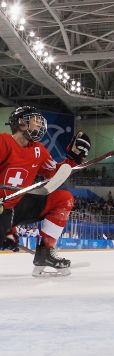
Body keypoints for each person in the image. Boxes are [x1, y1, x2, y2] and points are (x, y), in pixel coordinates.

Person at [0, 106, 90, 276]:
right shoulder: (3, 141)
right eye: (35, 120)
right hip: (2, 209)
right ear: (21, 123)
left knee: (63, 198)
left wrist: (73, 159)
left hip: (18, 205)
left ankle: (45, 253)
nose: (40, 124)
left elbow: (55, 174)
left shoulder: (38, 150)